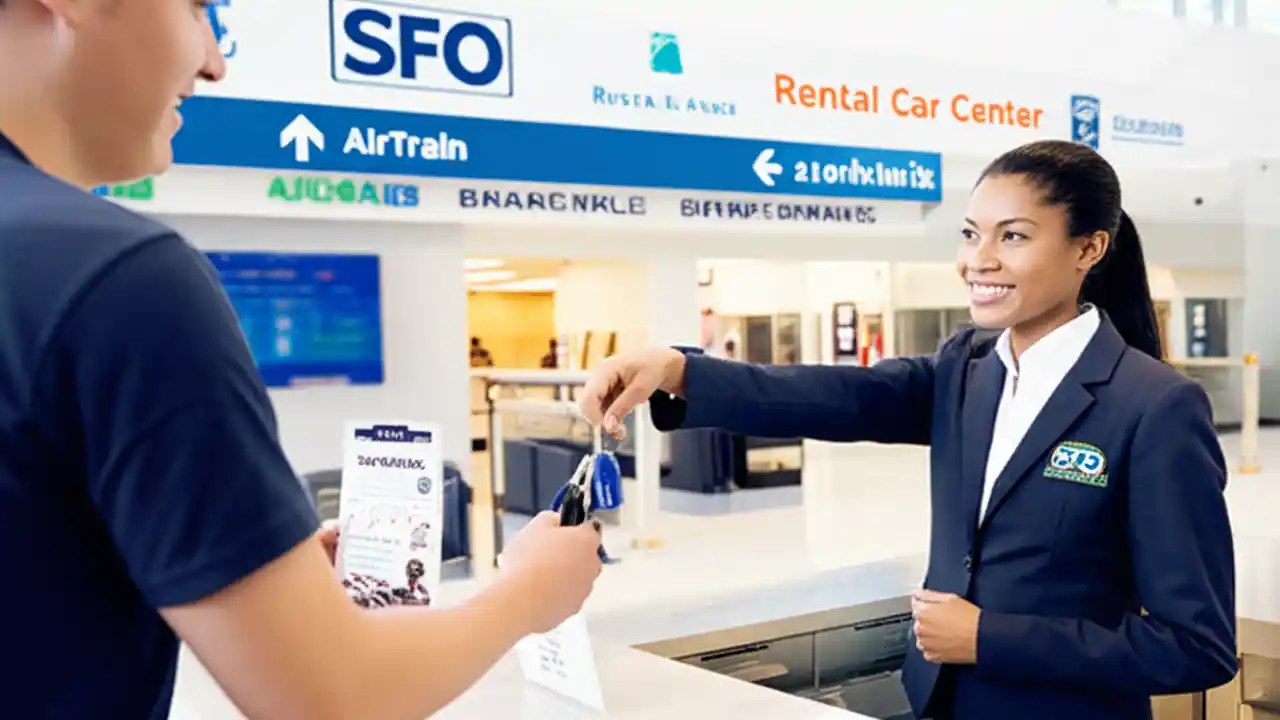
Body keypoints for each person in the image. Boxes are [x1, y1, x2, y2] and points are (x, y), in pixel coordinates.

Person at [0, 3, 601, 719]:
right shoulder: (118, 277)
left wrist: (243, 582)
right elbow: (337, 699)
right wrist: (528, 593)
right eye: (197, 8)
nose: (214, 63)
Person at [580, 139, 1237, 720]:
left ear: (1088, 248)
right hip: (942, 700)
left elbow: (1196, 647)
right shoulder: (966, 369)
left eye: (1012, 236)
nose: (979, 260)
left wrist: (987, 637)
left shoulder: (1153, 406)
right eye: (970, 233)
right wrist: (679, 371)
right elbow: (833, 396)